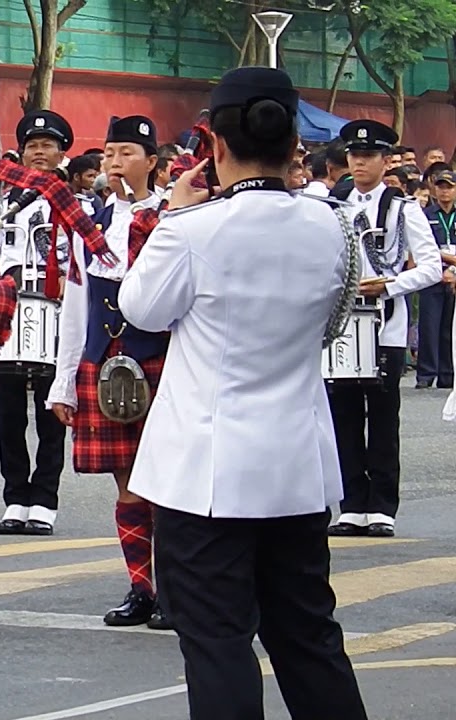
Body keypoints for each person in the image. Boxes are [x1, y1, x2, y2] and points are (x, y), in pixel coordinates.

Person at [119, 65, 368, 720]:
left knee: (218, 644)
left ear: (216, 148)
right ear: (295, 146)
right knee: (309, 637)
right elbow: (332, 320)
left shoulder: (190, 230)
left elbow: (140, 309)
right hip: (297, 470)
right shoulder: (331, 227)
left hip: (207, 476)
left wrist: (172, 212)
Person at [47, 115, 172, 630]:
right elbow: (75, 302)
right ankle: (142, 587)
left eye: (126, 153)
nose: (114, 163)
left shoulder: (173, 217)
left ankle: (175, 590)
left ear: (152, 163)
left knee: (166, 482)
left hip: (160, 359)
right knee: (126, 483)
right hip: (105, 359)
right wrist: (65, 381)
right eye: (109, 153)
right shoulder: (88, 221)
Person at [326, 119, 442, 538]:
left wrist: (390, 284)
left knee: (382, 415)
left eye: (369, 156)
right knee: (344, 415)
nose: (359, 163)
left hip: (385, 325)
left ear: (385, 160)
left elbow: (429, 267)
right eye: (354, 156)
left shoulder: (402, 207)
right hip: (342, 323)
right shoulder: (335, 203)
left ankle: (382, 506)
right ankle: (352, 503)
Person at [0, 109, 70, 536]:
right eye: (32, 146)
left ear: (61, 153)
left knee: (50, 408)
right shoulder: (3, 200)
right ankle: (14, 497)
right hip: (8, 310)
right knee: (8, 412)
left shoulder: (74, 202)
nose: (39, 152)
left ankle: (45, 499)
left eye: (48, 146)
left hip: (54, 312)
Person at [418, 168, 456, 389]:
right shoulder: (427, 215)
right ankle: (426, 374)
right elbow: (424, 246)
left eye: (449, 187)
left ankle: (448, 374)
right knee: (430, 326)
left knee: (449, 327)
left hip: (454, 275)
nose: (444, 192)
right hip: (433, 273)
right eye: (440, 187)